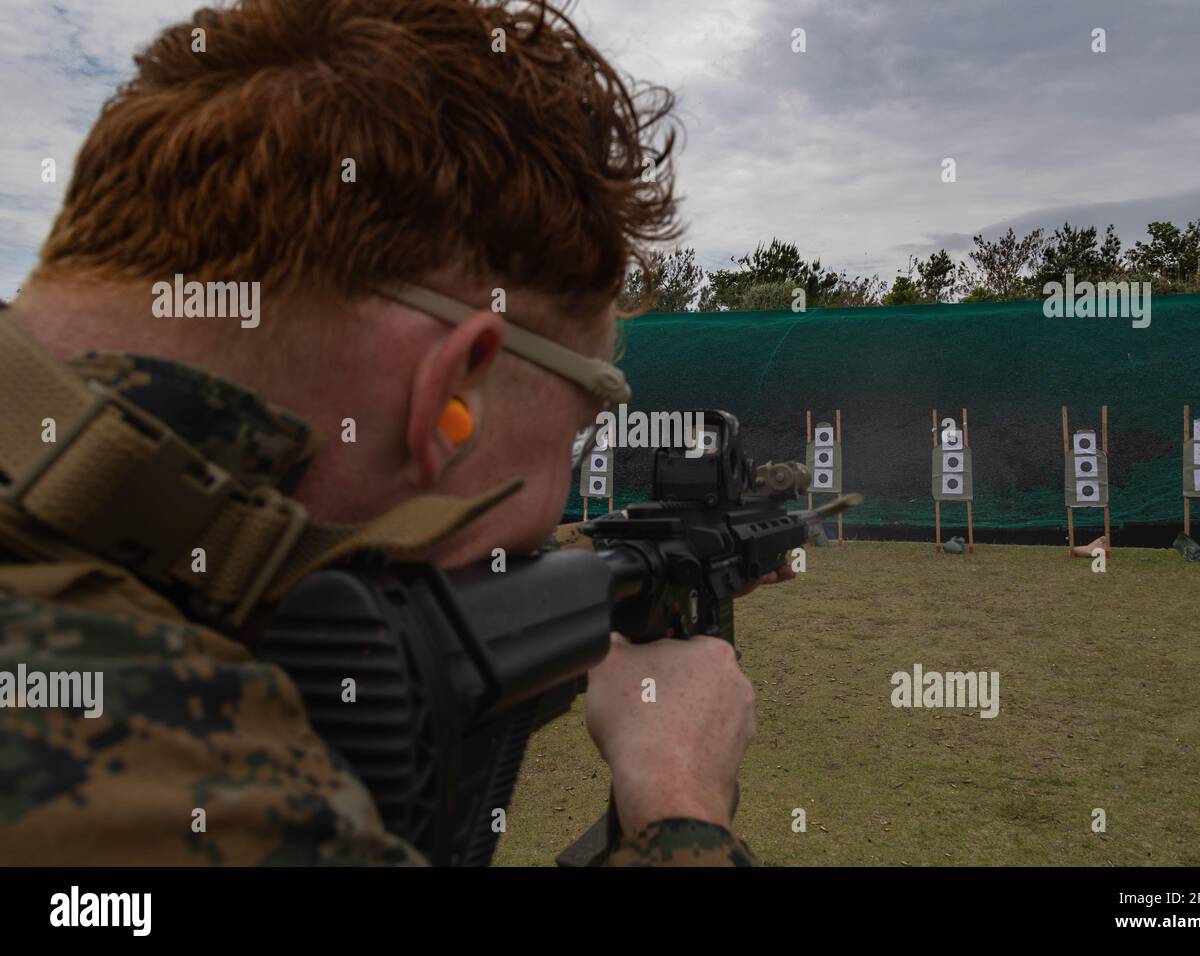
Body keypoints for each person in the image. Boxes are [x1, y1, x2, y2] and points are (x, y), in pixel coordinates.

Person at [0, 0, 768, 865]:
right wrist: (679, 799)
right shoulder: (192, 792)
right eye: (583, 422)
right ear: (454, 391)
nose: (555, 510)